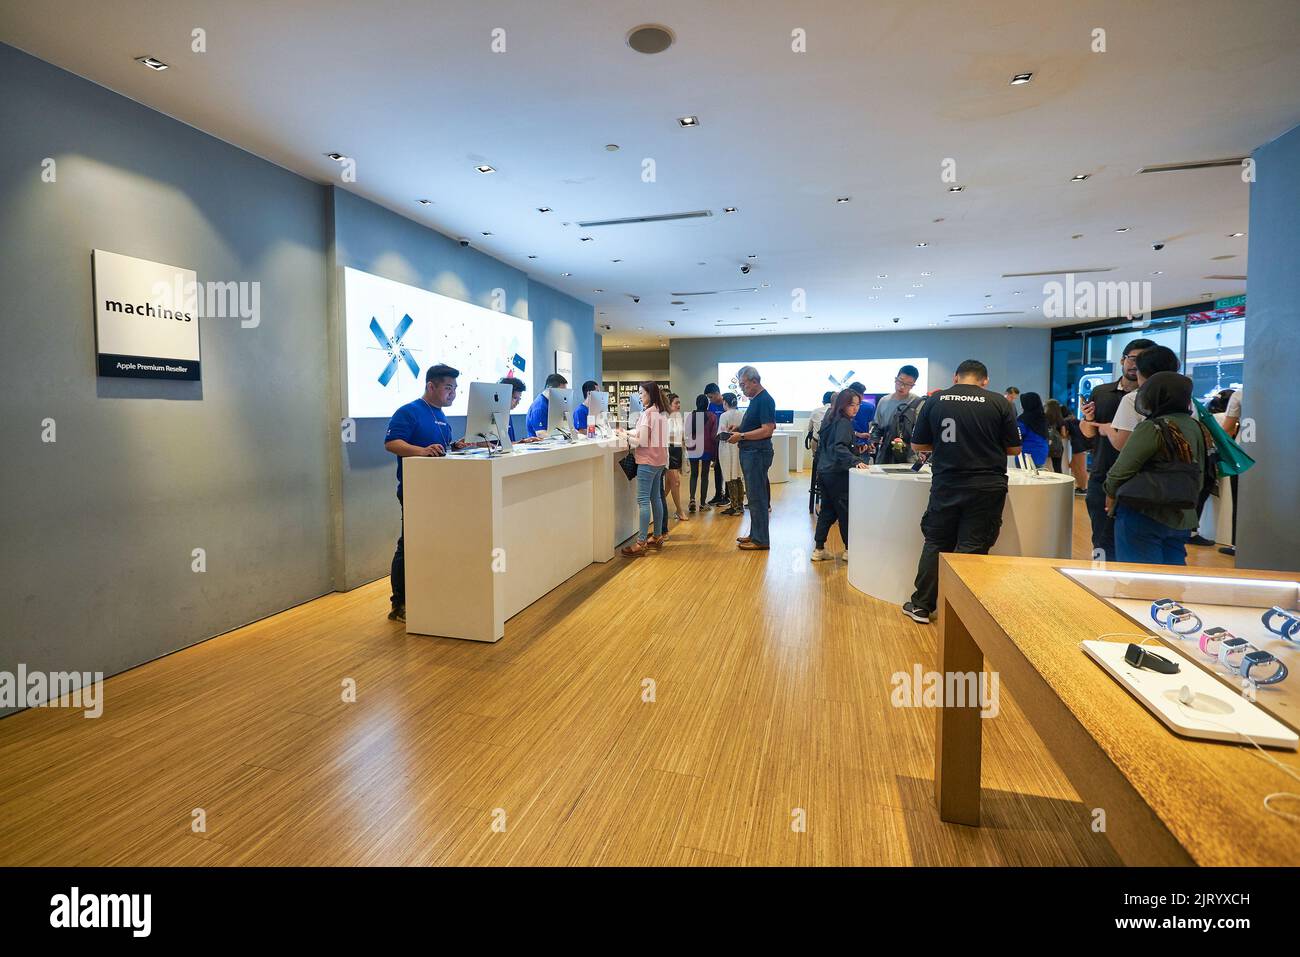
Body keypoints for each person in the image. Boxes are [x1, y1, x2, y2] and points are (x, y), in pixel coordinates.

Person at [902, 359, 1022, 624]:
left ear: (956, 377)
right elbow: (1014, 449)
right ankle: (961, 614)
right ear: (985, 380)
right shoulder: (1000, 403)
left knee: (936, 543)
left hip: (947, 484)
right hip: (987, 486)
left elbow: (919, 444)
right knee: (973, 547)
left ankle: (921, 605)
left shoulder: (935, 400)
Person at [382, 363, 470, 622]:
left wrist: (455, 446)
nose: (453, 393)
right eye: (448, 387)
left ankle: (430, 595)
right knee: (408, 544)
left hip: (440, 491)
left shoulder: (441, 415)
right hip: (414, 489)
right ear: (431, 386)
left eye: (455, 388)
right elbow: (391, 443)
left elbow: (440, 449)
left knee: (433, 544)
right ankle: (399, 604)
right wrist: (421, 451)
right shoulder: (409, 412)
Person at [1104, 372, 1211, 566]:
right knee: (1172, 579)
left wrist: (1110, 494)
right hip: (1182, 514)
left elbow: (1122, 470)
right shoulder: (1196, 427)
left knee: (1140, 582)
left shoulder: (1152, 427)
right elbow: (1202, 471)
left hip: (1144, 511)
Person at [1078, 338, 1155, 561]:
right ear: (1122, 360)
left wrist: (1108, 429)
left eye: (1142, 360)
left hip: (1140, 479)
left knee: (1136, 542)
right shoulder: (1102, 392)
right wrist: (1089, 419)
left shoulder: (1152, 397)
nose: (1135, 365)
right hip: (1103, 475)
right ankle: (1102, 587)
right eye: (1132, 358)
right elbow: (1087, 432)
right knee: (1102, 541)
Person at [811, 389, 870, 561]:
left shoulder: (829, 418)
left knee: (827, 511)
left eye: (858, 404)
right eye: (852, 404)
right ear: (843, 404)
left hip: (824, 471)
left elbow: (831, 446)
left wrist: (854, 450)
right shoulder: (844, 422)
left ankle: (819, 549)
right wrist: (854, 461)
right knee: (845, 512)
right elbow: (839, 447)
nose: (856, 408)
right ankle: (849, 550)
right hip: (837, 474)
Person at [728, 366, 777, 550]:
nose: (741, 389)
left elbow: (767, 429)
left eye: (743, 385)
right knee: (754, 496)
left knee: (757, 497)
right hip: (752, 452)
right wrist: (740, 428)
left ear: (754, 381)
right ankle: (755, 534)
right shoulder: (757, 399)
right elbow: (758, 425)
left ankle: (761, 539)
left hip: (756, 453)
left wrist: (741, 436)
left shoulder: (764, 399)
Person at [620, 382, 670, 557]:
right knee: (655, 498)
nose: (640, 396)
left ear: (650, 394)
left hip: (647, 461)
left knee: (643, 501)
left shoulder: (648, 414)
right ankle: (657, 535)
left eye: (641, 393)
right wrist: (628, 433)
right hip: (659, 461)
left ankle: (641, 542)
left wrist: (624, 437)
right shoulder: (661, 412)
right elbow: (646, 435)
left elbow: (641, 441)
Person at [1104, 345, 1181, 452]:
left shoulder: (1134, 399)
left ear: (1142, 372)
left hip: (1150, 466)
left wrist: (1108, 429)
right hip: (1184, 465)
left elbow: (1122, 445)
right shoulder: (1187, 399)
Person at [869, 365, 923, 464]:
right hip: (885, 456)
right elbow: (877, 426)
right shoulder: (884, 401)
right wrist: (874, 440)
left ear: (913, 385)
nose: (902, 386)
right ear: (895, 379)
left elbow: (920, 431)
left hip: (908, 457)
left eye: (908, 384)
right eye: (900, 381)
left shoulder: (917, 403)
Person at [685, 394, 719, 511]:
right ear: (707, 404)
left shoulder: (691, 416)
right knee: (704, 476)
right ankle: (703, 503)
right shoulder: (712, 416)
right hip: (707, 448)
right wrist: (715, 455)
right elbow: (714, 436)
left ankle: (692, 499)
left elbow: (687, 434)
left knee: (694, 474)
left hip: (693, 447)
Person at [717, 392, 745, 515]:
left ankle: (734, 506)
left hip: (727, 448)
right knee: (738, 476)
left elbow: (722, 434)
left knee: (729, 476)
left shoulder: (724, 415)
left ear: (725, 402)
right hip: (739, 447)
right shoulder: (742, 414)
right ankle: (740, 505)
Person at [703, 383, 729, 505]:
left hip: (728, 441)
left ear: (717, 393)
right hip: (716, 442)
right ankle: (719, 494)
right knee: (717, 468)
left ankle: (728, 495)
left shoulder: (727, 403)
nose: (710, 399)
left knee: (727, 468)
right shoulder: (711, 405)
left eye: (711, 397)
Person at [664, 392, 688, 522]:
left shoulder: (678, 417)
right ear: (669, 404)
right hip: (670, 450)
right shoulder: (666, 419)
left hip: (678, 451)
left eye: (679, 402)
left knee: (669, 483)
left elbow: (683, 435)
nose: (679, 405)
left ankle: (657, 506)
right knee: (676, 482)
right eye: (676, 403)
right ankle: (679, 510)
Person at [1015, 392, 1051, 468]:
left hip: (1026, 454)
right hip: (1041, 452)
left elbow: (1018, 436)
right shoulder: (1043, 417)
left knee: (1025, 478)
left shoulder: (1022, 419)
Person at [1043, 399, 1067, 473]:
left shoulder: (1043, 418)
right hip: (1057, 448)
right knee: (1057, 468)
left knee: (1043, 468)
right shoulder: (1060, 419)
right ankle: (1060, 484)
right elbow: (1063, 435)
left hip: (1045, 446)